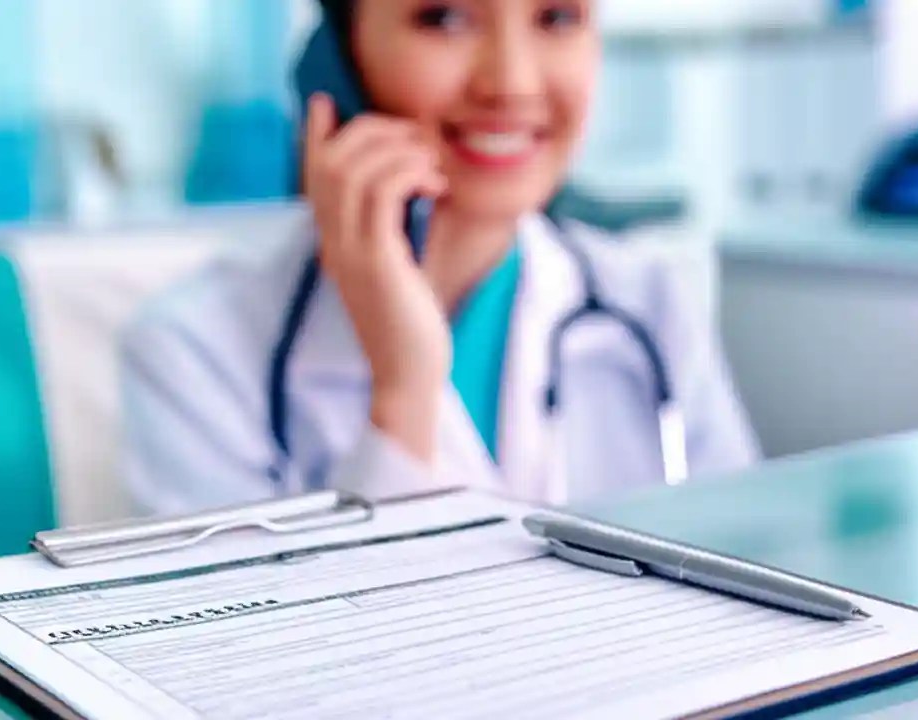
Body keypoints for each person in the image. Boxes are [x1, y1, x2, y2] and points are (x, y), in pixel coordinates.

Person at [120, 0, 759, 517]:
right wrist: (403, 391)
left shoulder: (650, 303)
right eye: (445, 18)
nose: (512, 84)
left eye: (558, 17)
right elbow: (256, 641)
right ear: (340, 63)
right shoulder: (195, 349)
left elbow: (745, 565)